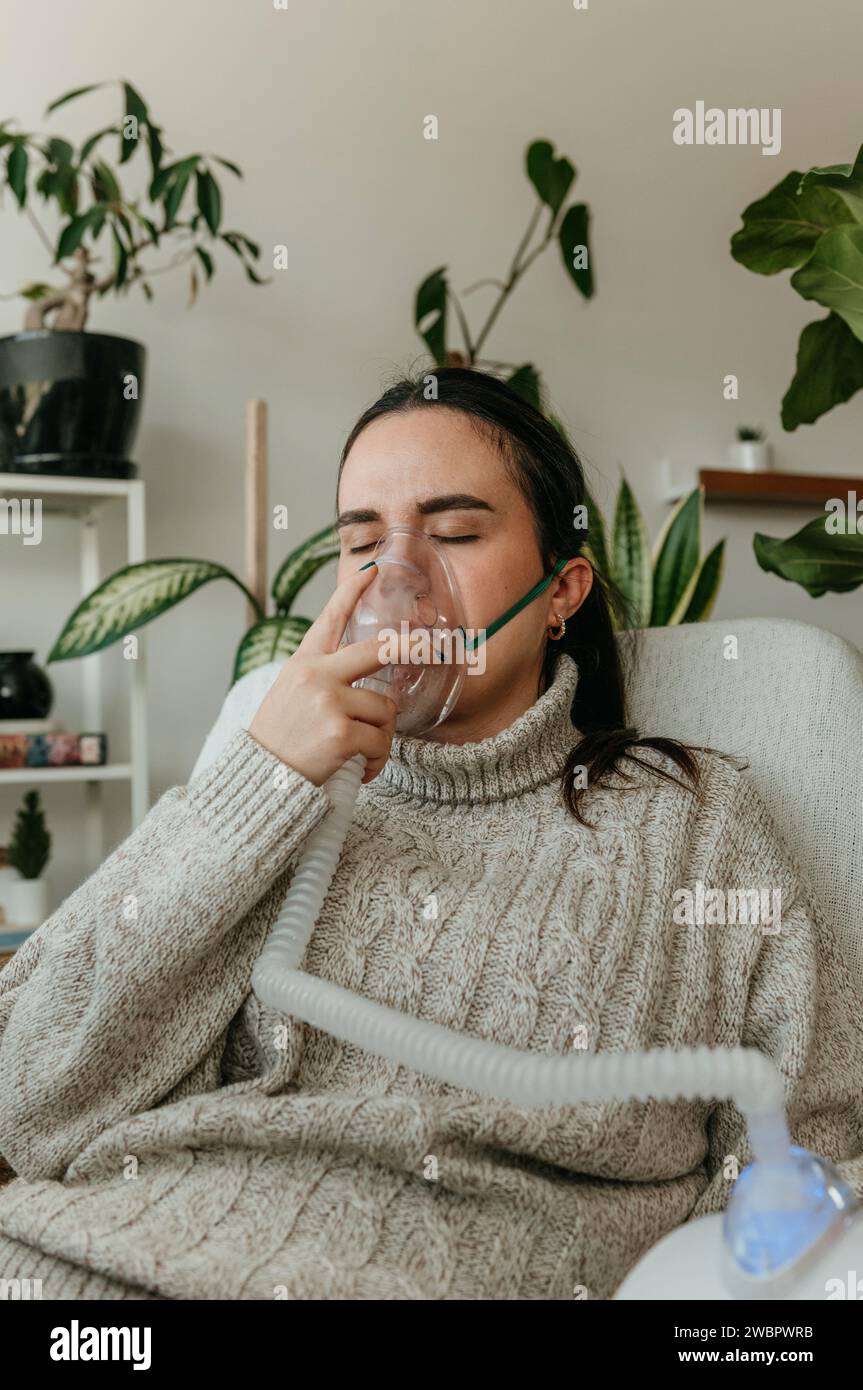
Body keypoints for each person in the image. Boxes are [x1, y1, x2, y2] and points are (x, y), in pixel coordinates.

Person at [1, 368, 861, 1301]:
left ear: (560, 590)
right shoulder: (270, 802)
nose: (393, 579)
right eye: (360, 540)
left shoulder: (690, 825)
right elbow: (28, 1101)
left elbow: (803, 1156)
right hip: (79, 1252)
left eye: (453, 532)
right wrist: (258, 788)